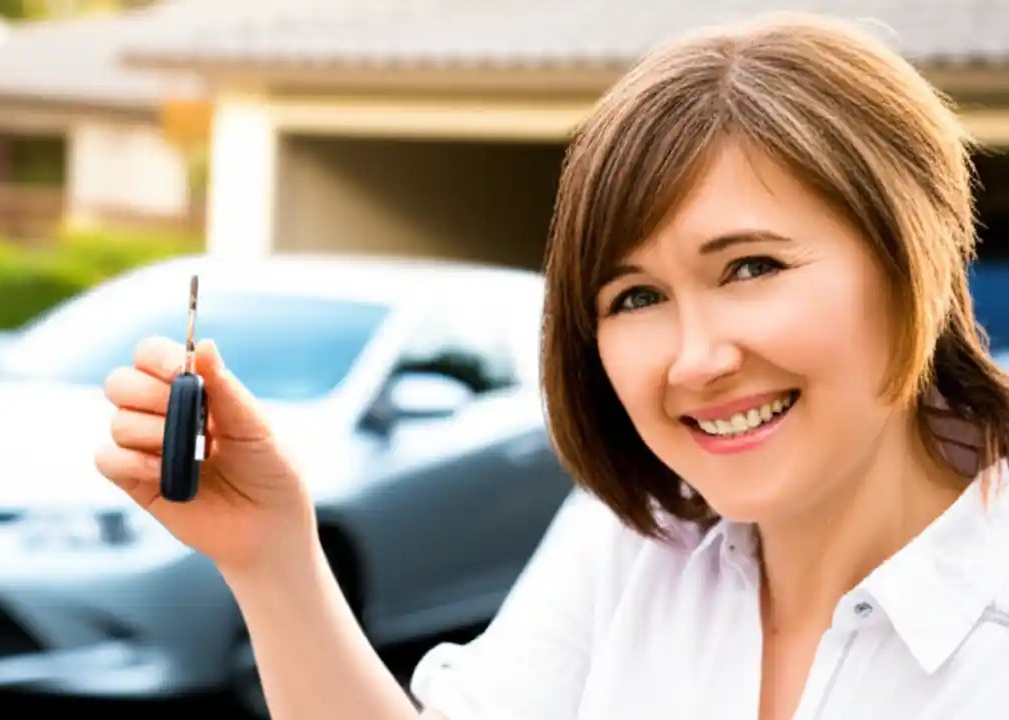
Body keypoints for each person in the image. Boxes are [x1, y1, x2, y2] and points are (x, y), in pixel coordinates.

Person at [93, 10, 1009, 720]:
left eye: (751, 268)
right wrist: (271, 556)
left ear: (912, 260)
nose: (696, 360)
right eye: (636, 297)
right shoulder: (637, 536)